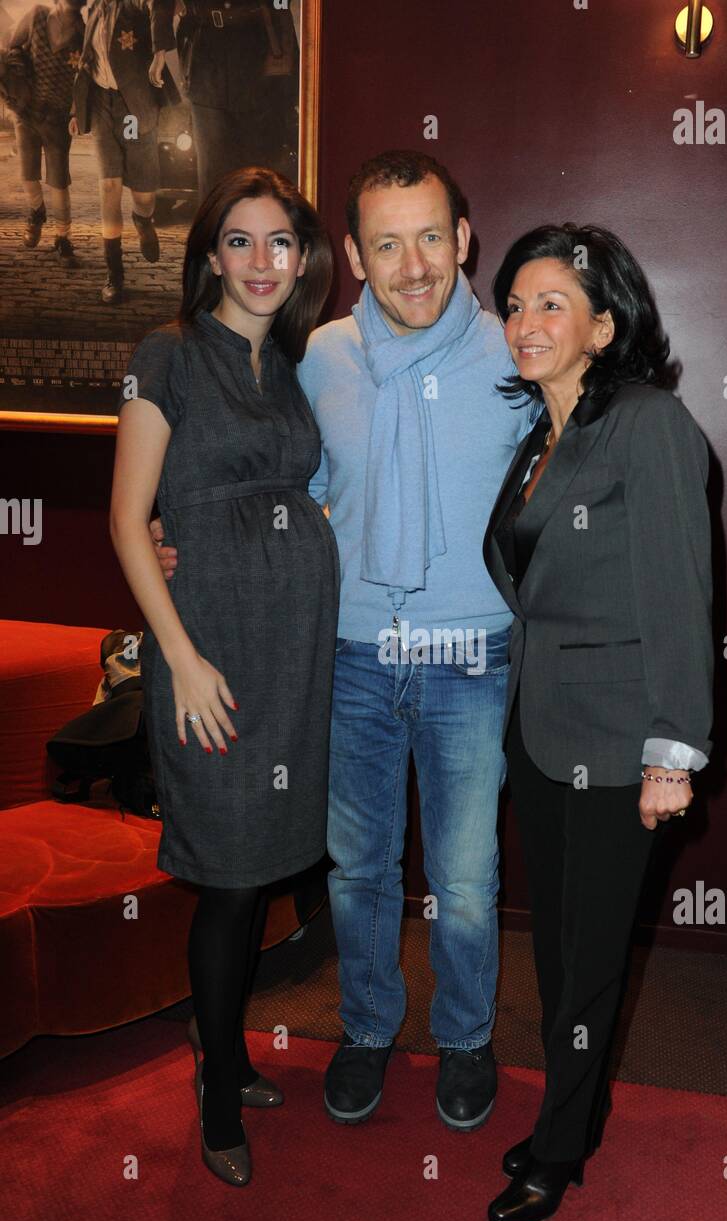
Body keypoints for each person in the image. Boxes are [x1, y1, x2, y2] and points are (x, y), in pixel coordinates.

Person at [153, 151, 532, 1132]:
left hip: (467, 658)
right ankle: (366, 1032)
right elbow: (287, 488)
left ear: (464, 241)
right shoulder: (317, 357)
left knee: (463, 878)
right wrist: (175, 539)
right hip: (352, 654)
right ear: (357, 255)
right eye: (387, 243)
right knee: (357, 872)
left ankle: (462, 1040)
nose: (413, 265)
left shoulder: (515, 354)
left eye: (431, 237)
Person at [483, 223, 714, 1221]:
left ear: (603, 324)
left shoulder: (649, 425)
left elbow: (678, 593)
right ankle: (573, 1107)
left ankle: (561, 1145)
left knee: (587, 962)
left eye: (551, 305)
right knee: (558, 952)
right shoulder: (541, 437)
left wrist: (673, 749)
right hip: (538, 731)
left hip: (622, 747)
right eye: (516, 303)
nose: (526, 323)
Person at [110, 166, 338, 1187]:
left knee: (262, 873)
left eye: (278, 242)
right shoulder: (167, 354)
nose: (260, 262)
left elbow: (289, 487)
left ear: (301, 259)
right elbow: (127, 519)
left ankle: (231, 1048)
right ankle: (212, 1093)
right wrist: (182, 659)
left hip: (292, 651)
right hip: (211, 651)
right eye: (239, 241)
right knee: (232, 876)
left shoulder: (288, 363)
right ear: (208, 253)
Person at [71, 0, 180, 303]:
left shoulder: (132, 4)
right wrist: (75, 110)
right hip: (102, 106)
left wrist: (159, 54)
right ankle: (114, 274)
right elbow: (86, 62)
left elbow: (159, 6)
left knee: (143, 195)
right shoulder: (92, 11)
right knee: (109, 187)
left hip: (134, 107)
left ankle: (142, 219)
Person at [176, 0, 300, 201]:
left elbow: (281, 5)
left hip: (260, 65)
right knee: (213, 182)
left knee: (260, 178)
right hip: (207, 66)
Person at [5, 0, 85, 267]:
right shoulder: (36, 15)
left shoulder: (82, 32)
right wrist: (19, 85)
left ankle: (63, 239)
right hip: (26, 112)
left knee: (59, 181)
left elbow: (83, 77)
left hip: (58, 118)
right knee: (28, 176)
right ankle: (37, 211)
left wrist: (75, 113)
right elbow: (12, 47)